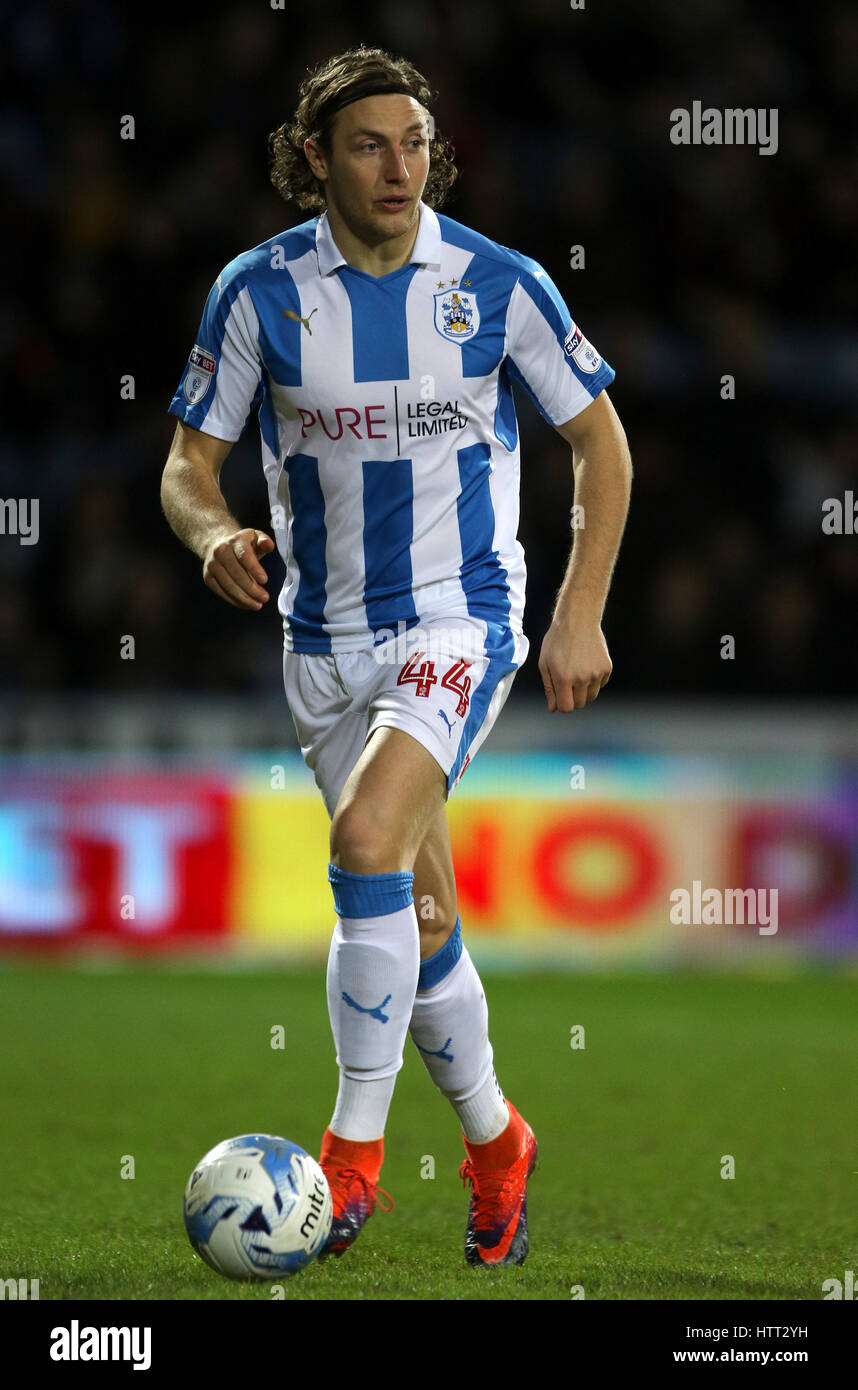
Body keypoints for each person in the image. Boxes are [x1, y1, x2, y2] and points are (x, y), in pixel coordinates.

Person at [161, 45, 632, 1268]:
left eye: (417, 143)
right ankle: (497, 1144)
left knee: (365, 843)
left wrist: (578, 611)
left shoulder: (498, 283)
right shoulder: (258, 293)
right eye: (370, 144)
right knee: (417, 909)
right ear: (314, 157)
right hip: (322, 642)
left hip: (460, 617)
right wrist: (213, 534)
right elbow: (185, 467)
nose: (400, 167)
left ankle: (350, 1158)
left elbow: (602, 445)